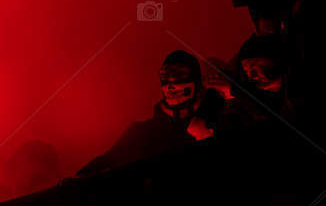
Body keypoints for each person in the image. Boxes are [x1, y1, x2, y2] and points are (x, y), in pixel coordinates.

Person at [79, 50, 224, 176]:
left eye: (180, 74)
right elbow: (109, 159)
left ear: (196, 81)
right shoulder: (143, 133)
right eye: (166, 76)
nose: (172, 83)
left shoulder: (219, 120)